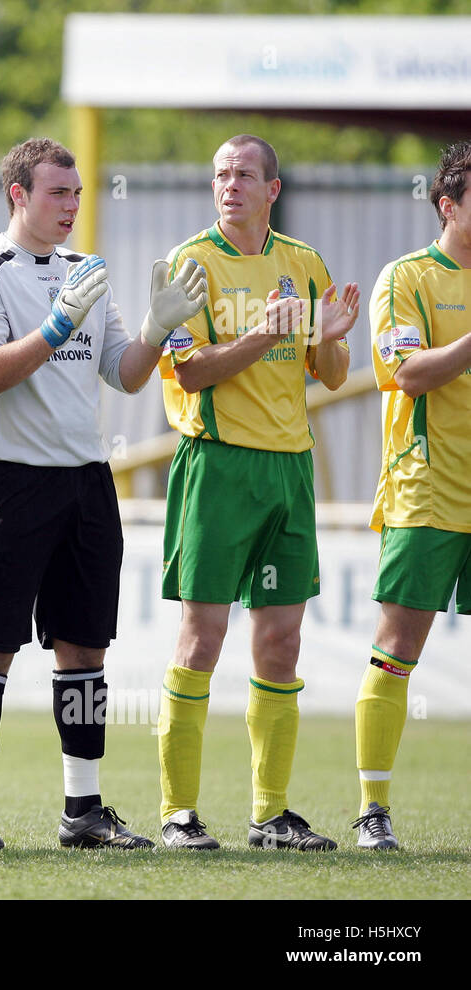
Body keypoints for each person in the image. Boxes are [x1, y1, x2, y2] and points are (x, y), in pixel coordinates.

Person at [0, 137, 204, 851]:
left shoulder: (88, 270)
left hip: (87, 481)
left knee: (84, 648)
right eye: (58, 192)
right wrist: (55, 327)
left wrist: (156, 326)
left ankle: (82, 812)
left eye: (78, 193)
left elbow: (126, 372)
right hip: (11, 480)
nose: (72, 206)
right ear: (18, 195)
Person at [154, 134, 359, 851]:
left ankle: (270, 815)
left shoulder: (304, 264)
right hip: (218, 468)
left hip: (286, 470)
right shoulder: (189, 265)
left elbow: (330, 374)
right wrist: (257, 336)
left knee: (280, 640)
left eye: (244, 174)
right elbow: (189, 373)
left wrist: (329, 338)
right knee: (202, 638)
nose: (229, 185)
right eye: (219, 174)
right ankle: (179, 814)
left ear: (273, 189)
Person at [354, 140, 471, 850]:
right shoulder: (407, 278)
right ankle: (373, 810)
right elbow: (408, 374)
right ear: (448, 204)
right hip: (427, 487)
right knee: (398, 649)